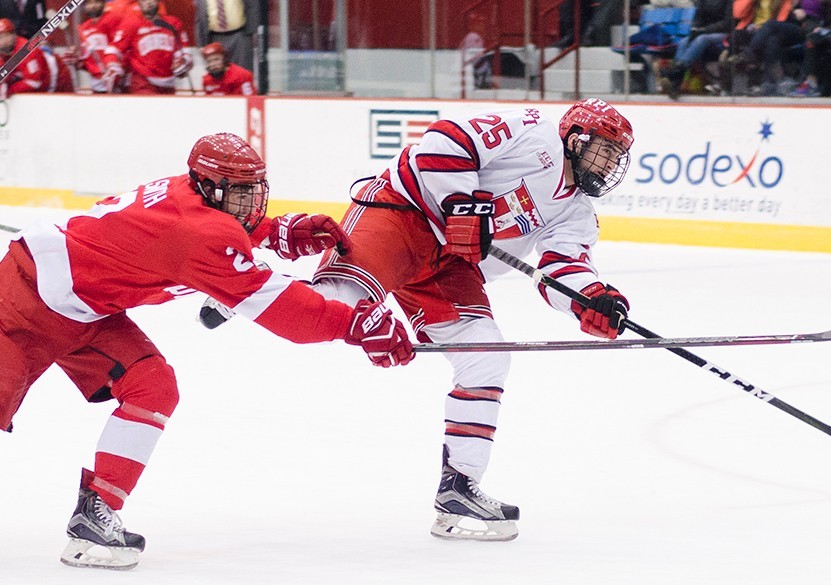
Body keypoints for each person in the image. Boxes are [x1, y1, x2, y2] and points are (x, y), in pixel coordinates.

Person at [0, 132, 414, 570]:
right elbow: (286, 312)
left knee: (153, 387)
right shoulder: (199, 232)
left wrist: (271, 233)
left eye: (254, 189)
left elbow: (212, 235)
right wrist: (353, 323)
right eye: (239, 191)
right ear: (209, 185)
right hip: (20, 303)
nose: (251, 202)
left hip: (84, 305)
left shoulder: (189, 194)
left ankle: (95, 514)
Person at [310, 99, 634, 542]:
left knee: (487, 358)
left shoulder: (575, 212)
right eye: (607, 151)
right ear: (577, 138)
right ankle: (248, 289)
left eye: (617, 157)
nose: (611, 164)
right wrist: (461, 204)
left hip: (449, 265)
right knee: (337, 302)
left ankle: (458, 487)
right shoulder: (533, 131)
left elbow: (563, 269)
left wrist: (590, 299)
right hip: (404, 212)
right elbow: (444, 140)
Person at [101, 0, 192, 94]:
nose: (148, 2)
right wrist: (112, 65)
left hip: (169, 83)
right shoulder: (132, 23)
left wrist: (184, 62)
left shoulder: (173, 23)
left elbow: (184, 51)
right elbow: (114, 49)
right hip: (143, 82)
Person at [659, 0, 733, 97]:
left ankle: (674, 74)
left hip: (725, 34)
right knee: (684, 42)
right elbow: (698, 19)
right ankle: (674, 86)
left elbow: (727, 23)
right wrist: (695, 29)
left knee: (701, 39)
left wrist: (705, 30)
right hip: (704, 31)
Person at [63, 0, 124, 93]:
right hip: (96, 82)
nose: (93, 6)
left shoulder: (113, 19)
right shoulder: (83, 28)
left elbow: (120, 48)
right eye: (90, 3)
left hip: (115, 80)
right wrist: (75, 60)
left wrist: (116, 71)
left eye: (96, 2)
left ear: (104, 3)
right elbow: (86, 60)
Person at [0, 18, 61, 95]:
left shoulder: (26, 51)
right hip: (41, 88)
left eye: (4, 36)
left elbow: (34, 82)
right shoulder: (3, 52)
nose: (2, 41)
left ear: (13, 35)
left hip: (59, 80)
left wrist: (8, 91)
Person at [194, 0, 256, 72]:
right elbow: (199, 18)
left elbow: (253, 5)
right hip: (214, 37)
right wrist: (201, 44)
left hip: (240, 36)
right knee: (219, 75)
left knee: (243, 72)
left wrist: (252, 31)